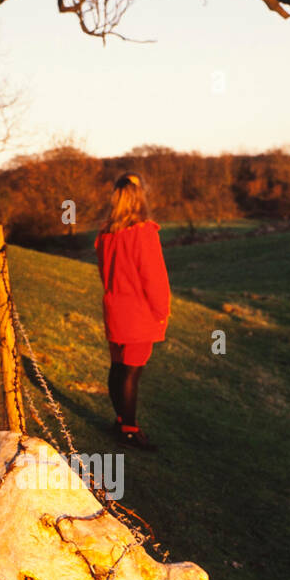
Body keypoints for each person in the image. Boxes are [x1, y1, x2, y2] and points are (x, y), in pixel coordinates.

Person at [94, 172, 170, 451]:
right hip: (139, 313)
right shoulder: (144, 232)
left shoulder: (106, 234)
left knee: (118, 367)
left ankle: (121, 420)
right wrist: (162, 311)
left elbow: (104, 271)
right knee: (131, 373)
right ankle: (129, 429)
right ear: (140, 198)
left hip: (115, 309)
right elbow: (154, 277)